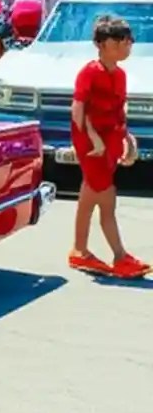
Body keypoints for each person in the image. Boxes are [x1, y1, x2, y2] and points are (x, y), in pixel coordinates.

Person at [68, 16, 147, 279]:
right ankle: (120, 256)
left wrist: (128, 139)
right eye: (122, 40)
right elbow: (79, 110)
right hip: (93, 146)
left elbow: (118, 111)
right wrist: (93, 139)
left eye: (129, 40)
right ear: (103, 44)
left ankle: (79, 250)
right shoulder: (89, 72)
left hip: (110, 141)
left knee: (89, 196)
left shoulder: (121, 75)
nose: (127, 45)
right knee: (106, 199)